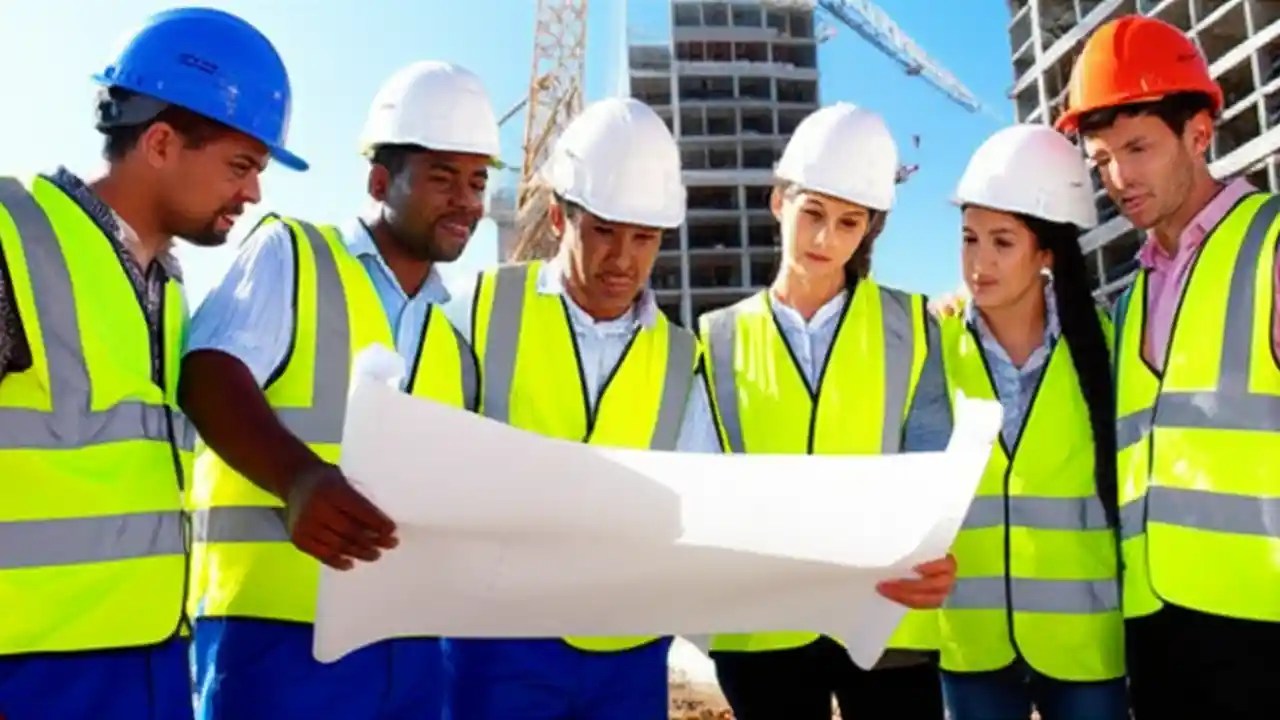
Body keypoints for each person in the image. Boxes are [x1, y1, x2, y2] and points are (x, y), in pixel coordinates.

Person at [0, 8, 304, 719]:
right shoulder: (17, 239)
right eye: (241, 166)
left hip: (154, 659)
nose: (254, 193)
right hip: (32, 674)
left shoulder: (165, 288)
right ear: (162, 141)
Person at [178, 60, 498, 720]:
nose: (466, 200)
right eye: (442, 178)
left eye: (477, 181)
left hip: (408, 641)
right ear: (381, 180)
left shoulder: (455, 336)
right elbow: (208, 373)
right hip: (273, 635)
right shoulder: (293, 254)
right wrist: (297, 480)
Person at [682, 102, 957, 720]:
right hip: (761, 621)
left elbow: (933, 469)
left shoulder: (911, 328)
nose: (826, 239)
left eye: (848, 222)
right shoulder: (717, 338)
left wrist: (937, 548)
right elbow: (701, 480)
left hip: (885, 617)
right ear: (780, 202)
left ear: (868, 231)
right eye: (812, 214)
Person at [441, 96, 699, 720]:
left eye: (644, 238)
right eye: (604, 230)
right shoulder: (478, 307)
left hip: (628, 645)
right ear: (559, 218)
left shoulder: (680, 354)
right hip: (497, 635)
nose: (623, 259)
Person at [1055, 14, 1280, 719]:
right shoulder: (1132, 293)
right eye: (1101, 161)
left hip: (1263, 628)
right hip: (1156, 626)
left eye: (1138, 147)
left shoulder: (1272, 244)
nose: (1118, 178)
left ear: (1199, 134)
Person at [935, 124, 1128, 720]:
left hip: (1086, 645)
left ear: (1046, 252)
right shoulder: (930, 346)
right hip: (971, 641)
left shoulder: (1110, 345)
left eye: (1002, 241)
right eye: (969, 240)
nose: (979, 263)